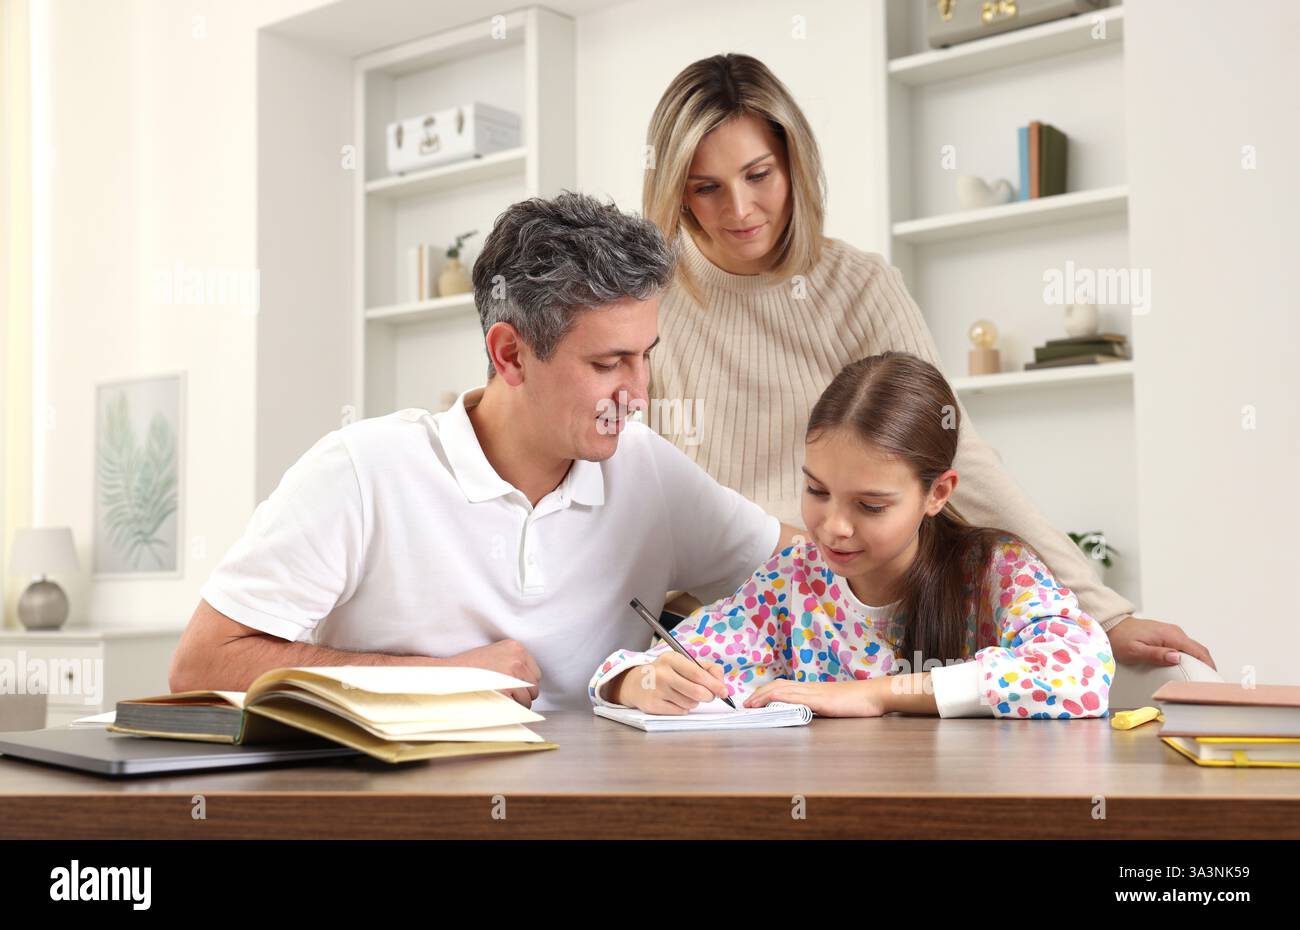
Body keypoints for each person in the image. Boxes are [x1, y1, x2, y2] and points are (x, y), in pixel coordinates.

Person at [640, 52, 1213, 672]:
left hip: (844, 622)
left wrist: (1102, 613)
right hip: (707, 630)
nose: (741, 210)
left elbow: (954, 448)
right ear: (675, 189)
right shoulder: (649, 302)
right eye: (706, 188)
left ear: (793, 164)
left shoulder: (857, 288)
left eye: (759, 176)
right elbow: (630, 481)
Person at [169, 191, 804, 711]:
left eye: (646, 357)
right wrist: (441, 676)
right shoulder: (362, 472)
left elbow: (813, 571)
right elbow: (202, 664)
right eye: (609, 363)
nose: (638, 395)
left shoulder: (648, 473)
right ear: (510, 355)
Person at [590, 352, 1113, 719]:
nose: (835, 527)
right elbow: (644, 662)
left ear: (937, 493)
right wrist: (639, 682)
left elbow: (1080, 674)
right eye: (817, 491)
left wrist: (879, 694)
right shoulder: (792, 581)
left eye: (870, 505)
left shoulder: (996, 571)